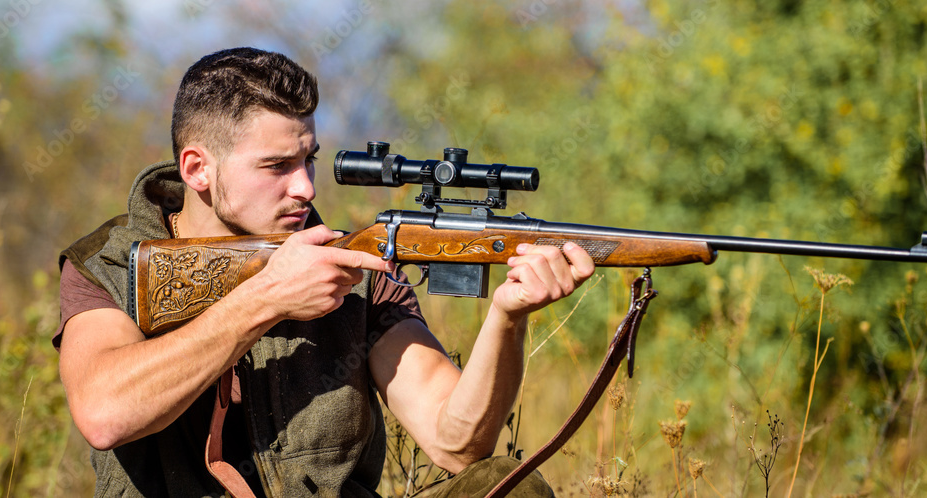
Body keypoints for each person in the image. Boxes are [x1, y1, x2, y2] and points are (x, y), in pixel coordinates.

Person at [55, 47, 594, 497]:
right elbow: (105, 414)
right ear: (198, 169)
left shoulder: (355, 267)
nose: (306, 188)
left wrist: (509, 317)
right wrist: (267, 299)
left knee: (508, 486)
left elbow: (456, 444)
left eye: (309, 159)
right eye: (277, 166)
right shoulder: (111, 263)